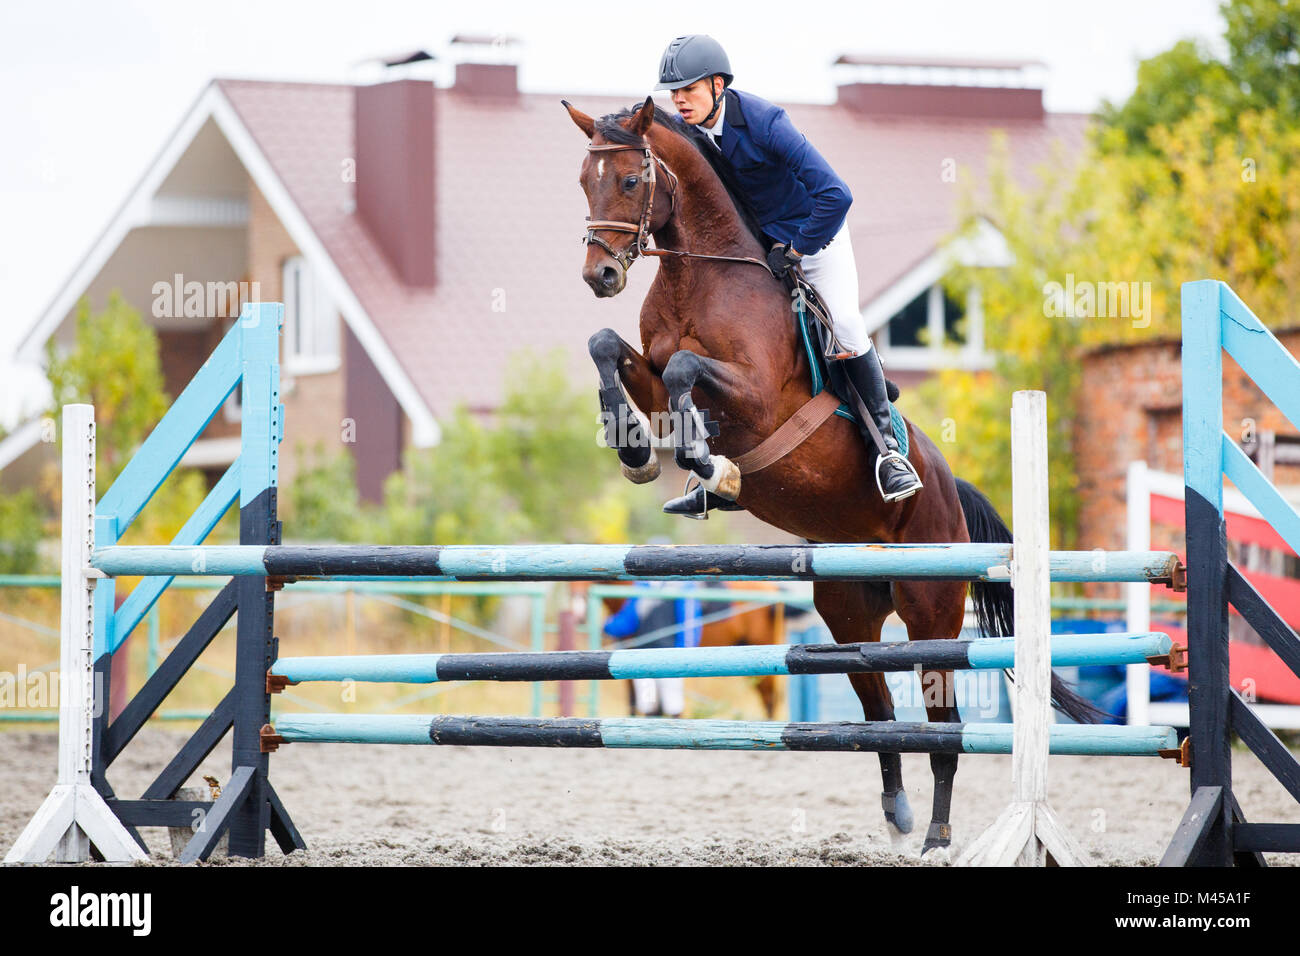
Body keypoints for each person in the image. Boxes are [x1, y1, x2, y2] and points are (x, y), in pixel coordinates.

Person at [652, 34, 924, 517]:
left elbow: (836, 195)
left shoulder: (765, 123)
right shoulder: (690, 127)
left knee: (844, 324)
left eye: (687, 89)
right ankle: (716, 476)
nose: (678, 99)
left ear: (718, 85)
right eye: (672, 91)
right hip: (759, 251)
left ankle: (889, 452)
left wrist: (797, 248)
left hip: (815, 238)